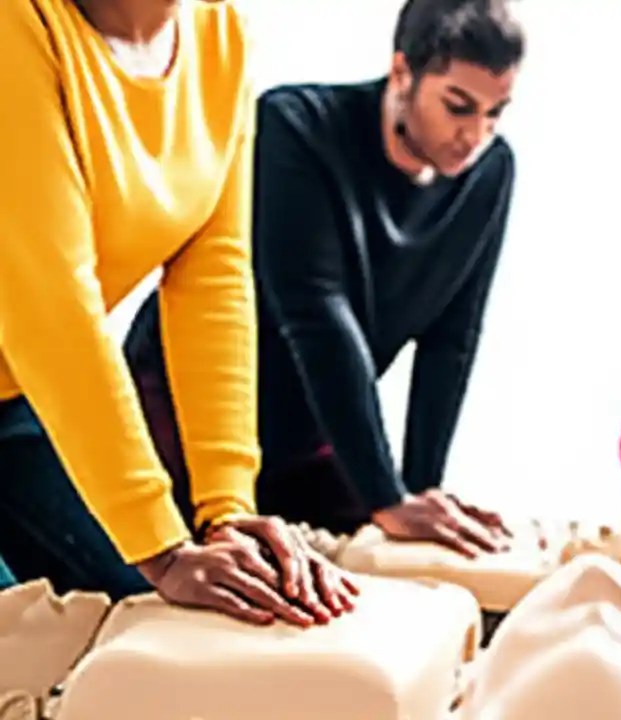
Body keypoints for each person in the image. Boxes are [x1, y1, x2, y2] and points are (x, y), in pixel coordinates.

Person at [123, 0, 521, 559]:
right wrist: (388, 496)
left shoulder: (491, 173)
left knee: (380, 557)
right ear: (403, 72)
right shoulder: (295, 128)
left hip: (306, 433)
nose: (474, 135)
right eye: (458, 107)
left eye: (495, 113)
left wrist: (421, 491)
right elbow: (317, 315)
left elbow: (451, 339)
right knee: (162, 573)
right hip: (182, 409)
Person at [0, 0, 356, 626]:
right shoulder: (17, 26)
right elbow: (49, 300)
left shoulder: (221, 37)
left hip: (14, 400)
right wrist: (162, 549)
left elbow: (213, 274)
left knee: (155, 620)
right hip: (33, 361)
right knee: (16, 648)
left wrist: (226, 509)